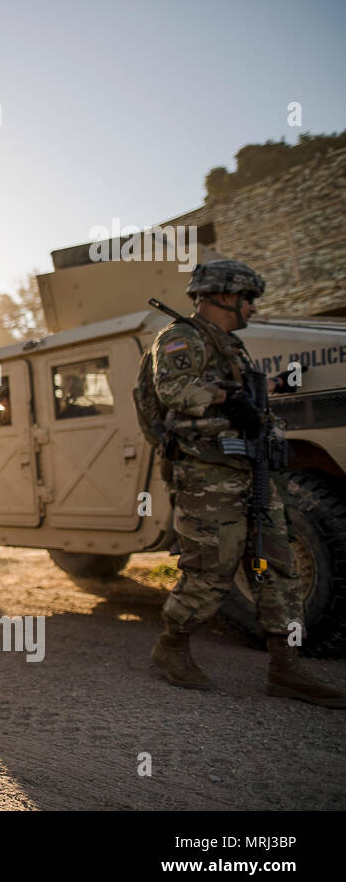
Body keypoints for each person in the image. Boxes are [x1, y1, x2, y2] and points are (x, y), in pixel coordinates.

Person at [148, 259, 344, 707]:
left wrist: (264, 391)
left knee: (280, 565)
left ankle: (286, 667)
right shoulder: (181, 338)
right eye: (248, 298)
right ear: (220, 296)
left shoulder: (232, 347)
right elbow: (173, 391)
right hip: (206, 475)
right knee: (211, 571)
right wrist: (227, 397)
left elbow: (241, 400)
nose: (253, 307)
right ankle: (172, 645)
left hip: (250, 471)